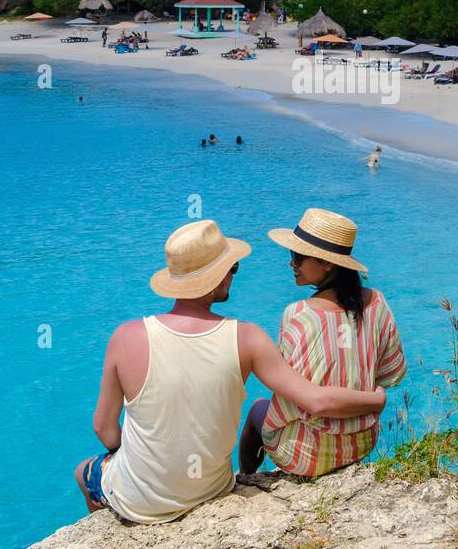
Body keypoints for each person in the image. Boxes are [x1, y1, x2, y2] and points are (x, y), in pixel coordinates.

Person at [74, 220, 386, 523]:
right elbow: (315, 400)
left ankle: (111, 531)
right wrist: (375, 401)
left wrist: (142, 458)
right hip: (211, 489)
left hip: (139, 499)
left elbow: (105, 430)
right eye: (233, 269)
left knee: (83, 471)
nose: (234, 276)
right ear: (219, 276)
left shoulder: (125, 336)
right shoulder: (248, 339)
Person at [239, 208, 405, 478]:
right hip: (360, 443)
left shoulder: (299, 314)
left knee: (258, 409)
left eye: (298, 257)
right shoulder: (376, 302)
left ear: (328, 263)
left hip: (307, 455)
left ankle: (246, 477)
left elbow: (290, 388)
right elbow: (390, 375)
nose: (292, 264)